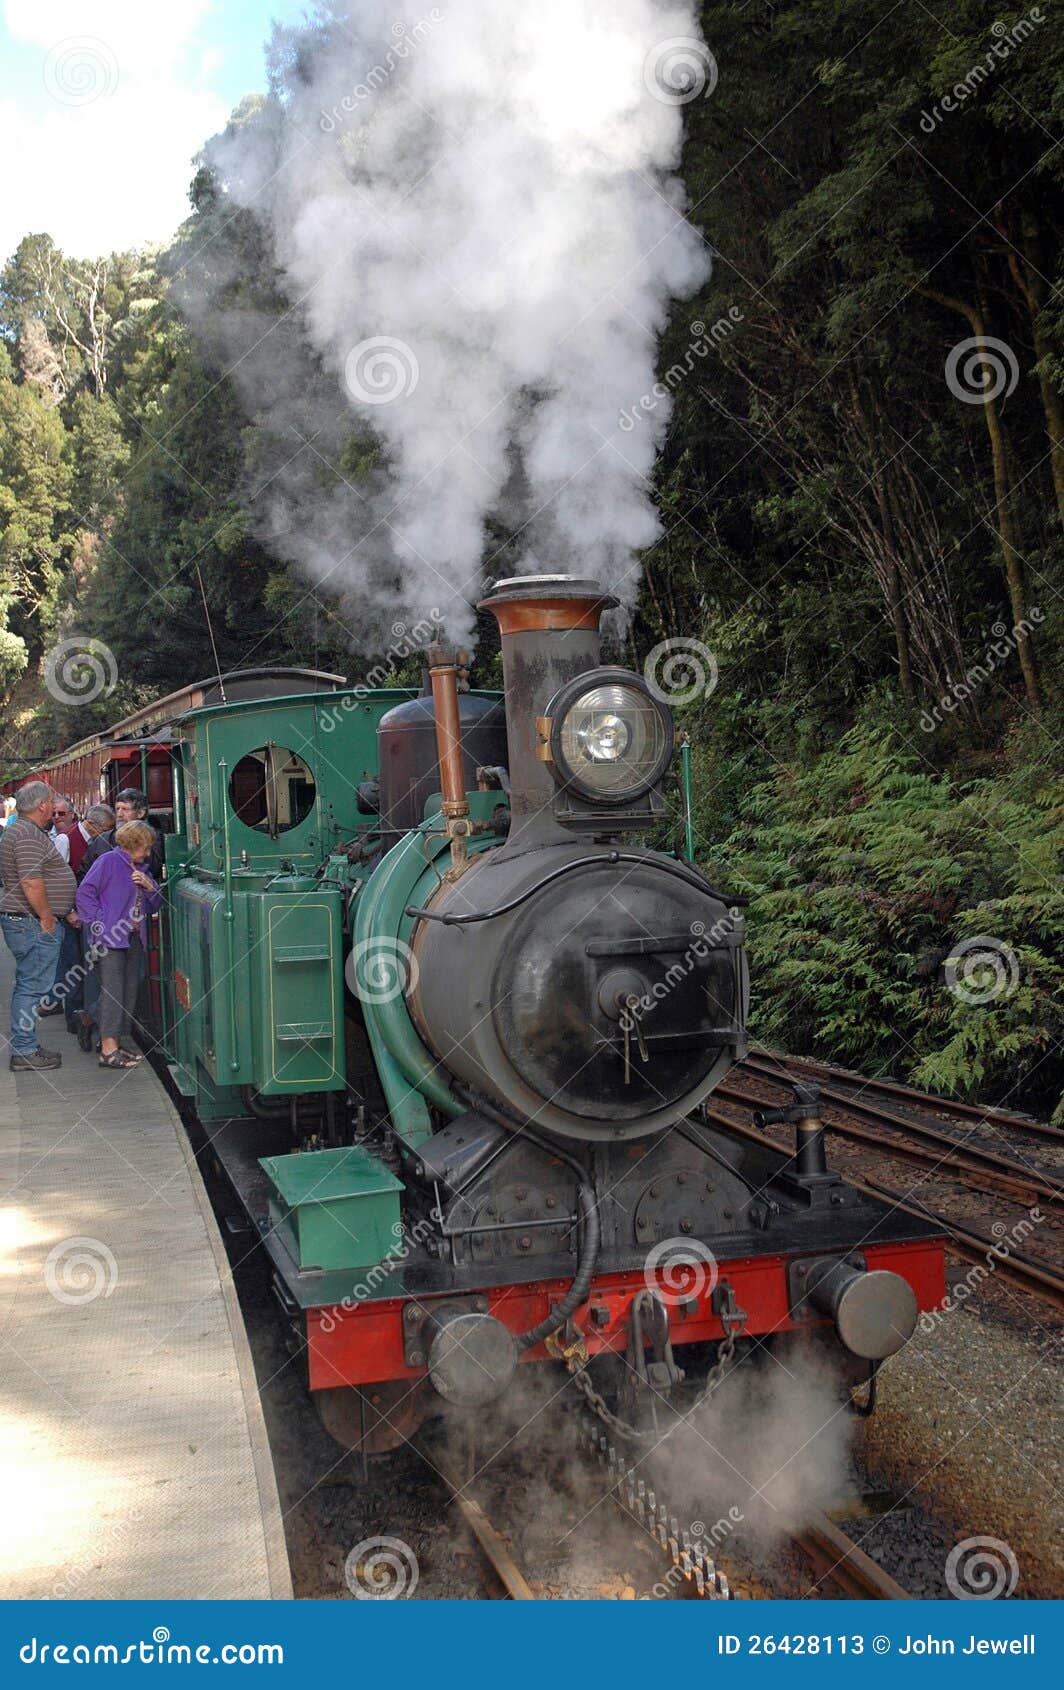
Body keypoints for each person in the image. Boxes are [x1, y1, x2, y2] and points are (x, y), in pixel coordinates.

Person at [0, 782, 78, 1071]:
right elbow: (31, 881)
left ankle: (26, 1046)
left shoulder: (23, 831)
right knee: (32, 988)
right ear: (41, 805)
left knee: (30, 985)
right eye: (50, 801)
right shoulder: (28, 835)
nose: (52, 808)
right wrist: (47, 916)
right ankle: (24, 1050)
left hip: (28, 921)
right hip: (32, 922)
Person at [76, 821, 162, 1069]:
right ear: (134, 844)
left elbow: (156, 905)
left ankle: (104, 1031)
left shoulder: (141, 869)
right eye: (145, 847)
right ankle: (107, 1049)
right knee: (114, 992)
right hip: (110, 940)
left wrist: (150, 887)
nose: (148, 853)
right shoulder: (109, 862)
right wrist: (99, 926)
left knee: (128, 991)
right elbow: (85, 894)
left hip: (133, 938)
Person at [40, 803, 115, 1036]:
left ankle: (83, 1015)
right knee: (72, 966)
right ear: (93, 825)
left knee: (83, 966)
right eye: (105, 830)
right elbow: (54, 879)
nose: (106, 836)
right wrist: (68, 910)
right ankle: (74, 1019)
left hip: (86, 915)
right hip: (69, 914)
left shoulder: (92, 840)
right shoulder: (65, 840)